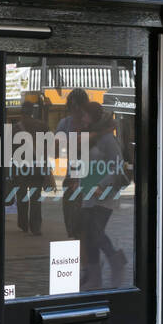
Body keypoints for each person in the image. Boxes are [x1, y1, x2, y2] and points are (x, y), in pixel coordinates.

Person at [77, 103, 129, 288]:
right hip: (89, 195)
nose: (83, 119)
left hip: (103, 195)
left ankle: (117, 262)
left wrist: (101, 185)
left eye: (85, 116)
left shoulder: (108, 139)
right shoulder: (93, 138)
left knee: (96, 233)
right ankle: (94, 278)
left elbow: (117, 165)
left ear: (93, 117)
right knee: (90, 235)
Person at [13, 99, 50, 236]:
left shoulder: (16, 128)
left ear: (22, 112)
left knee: (22, 195)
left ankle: (23, 224)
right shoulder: (42, 126)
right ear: (33, 112)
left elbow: (11, 149)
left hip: (21, 167)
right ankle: (35, 227)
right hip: (37, 167)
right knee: (36, 198)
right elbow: (48, 147)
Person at [57, 88, 90, 238]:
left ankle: (87, 255)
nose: (76, 110)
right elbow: (56, 148)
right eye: (73, 106)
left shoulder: (91, 122)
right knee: (72, 222)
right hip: (72, 176)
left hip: (89, 177)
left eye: (79, 106)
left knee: (84, 223)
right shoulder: (65, 123)